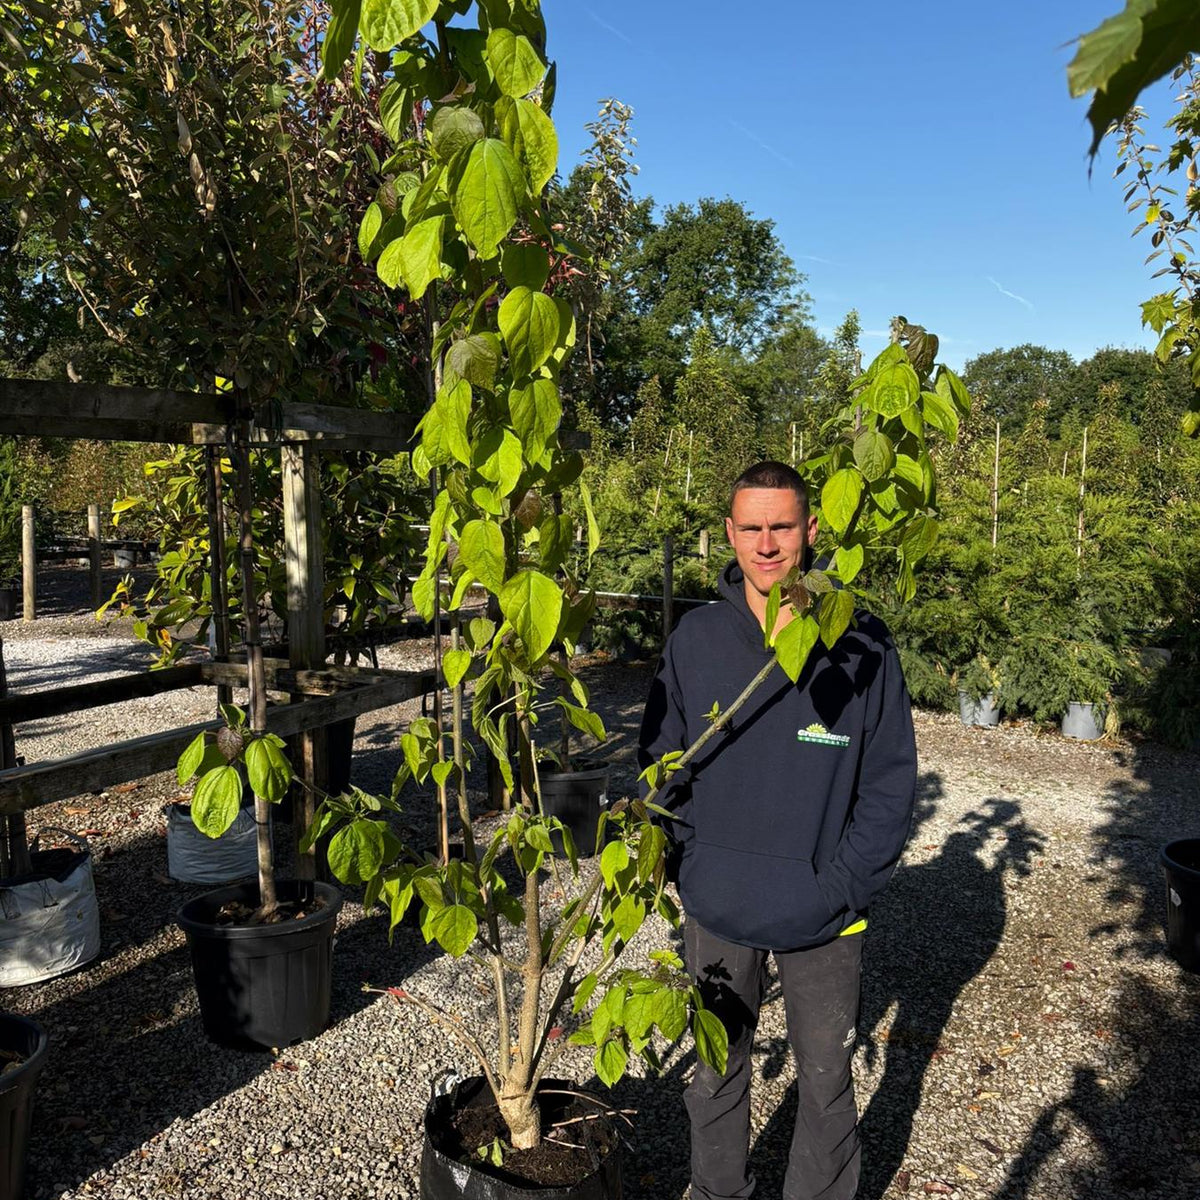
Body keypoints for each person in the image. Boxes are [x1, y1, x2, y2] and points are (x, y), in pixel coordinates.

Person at [638, 460, 916, 1200]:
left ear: (811, 531)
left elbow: (889, 782)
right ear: (729, 533)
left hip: (824, 910)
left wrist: (842, 885)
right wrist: (692, 865)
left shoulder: (860, 642)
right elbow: (661, 764)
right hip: (718, 902)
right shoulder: (695, 639)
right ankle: (717, 1190)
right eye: (751, 528)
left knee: (826, 1080)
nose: (766, 545)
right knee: (716, 1070)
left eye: (782, 527)